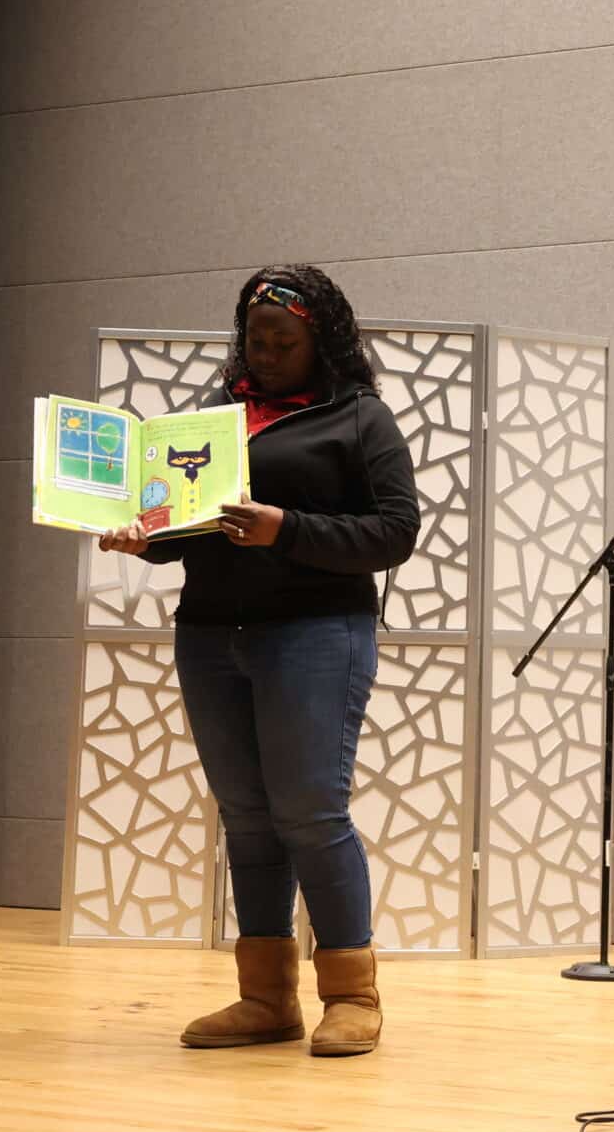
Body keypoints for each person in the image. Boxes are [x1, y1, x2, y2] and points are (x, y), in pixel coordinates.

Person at [99, 264, 419, 1057]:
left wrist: (289, 528)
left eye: (286, 340)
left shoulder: (359, 419)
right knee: (246, 816)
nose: (268, 352)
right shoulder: (214, 419)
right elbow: (184, 528)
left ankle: (351, 993)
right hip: (210, 635)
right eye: (256, 338)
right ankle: (265, 998)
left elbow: (394, 533)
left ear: (323, 341)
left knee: (310, 812)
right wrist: (143, 537)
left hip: (314, 634)